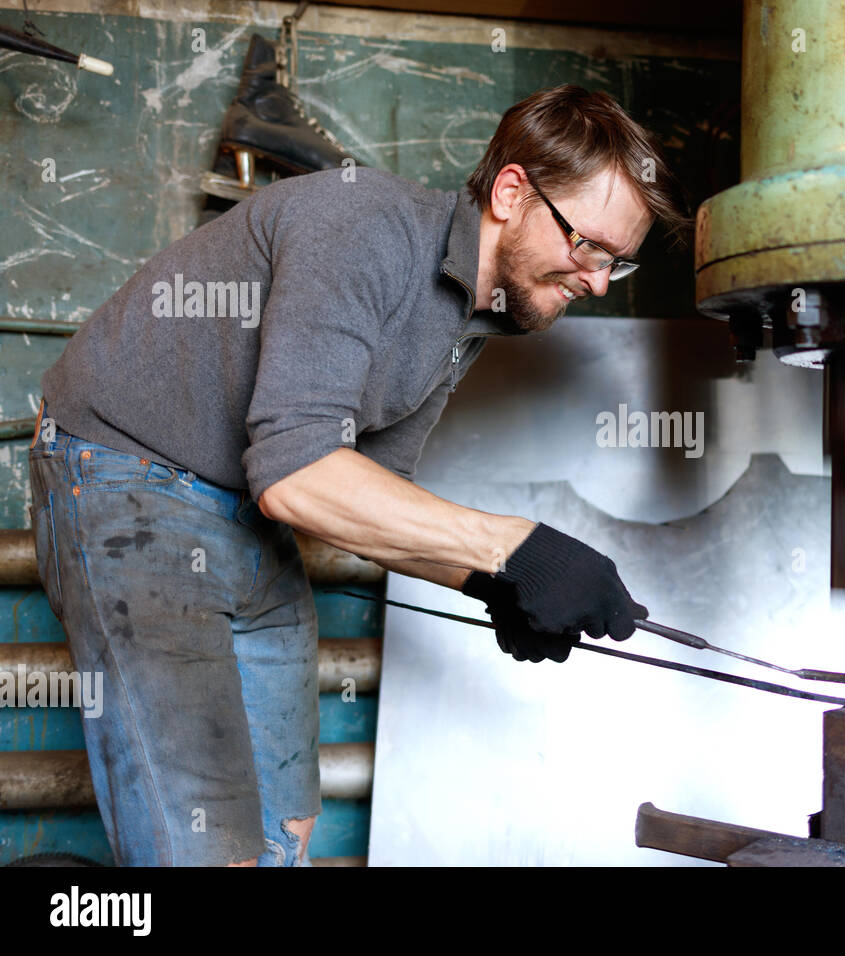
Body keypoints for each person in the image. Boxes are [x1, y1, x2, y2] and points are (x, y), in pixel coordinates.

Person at [25, 84, 693, 867]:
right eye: (589, 247)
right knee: (212, 855)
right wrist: (513, 546)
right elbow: (298, 473)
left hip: (246, 520)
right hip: (124, 483)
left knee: (286, 841)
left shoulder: (470, 313)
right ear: (513, 193)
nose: (600, 280)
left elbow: (362, 492)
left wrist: (492, 586)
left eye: (618, 260)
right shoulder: (364, 229)